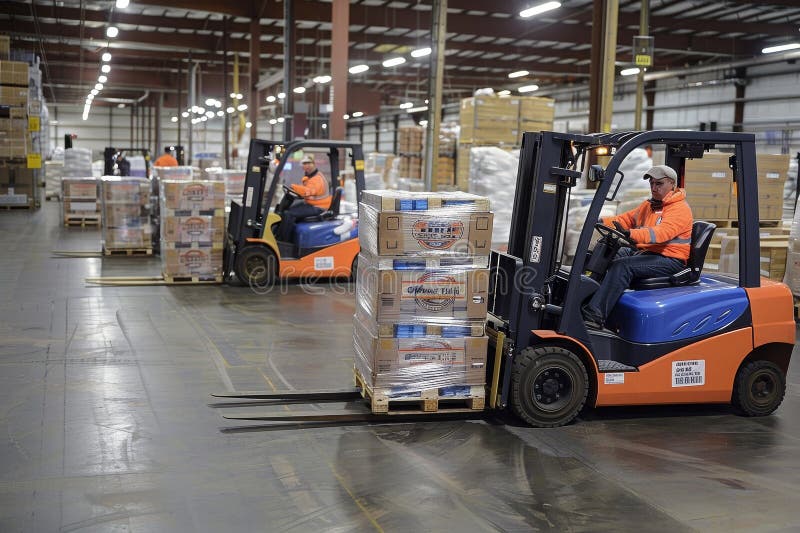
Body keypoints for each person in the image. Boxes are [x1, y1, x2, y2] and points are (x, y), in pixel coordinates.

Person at [582, 165, 693, 329]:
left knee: (622, 267)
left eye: (659, 184)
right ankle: (584, 298)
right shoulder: (650, 206)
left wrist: (631, 234)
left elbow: (661, 234)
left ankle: (594, 315)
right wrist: (601, 222)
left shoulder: (679, 209)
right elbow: (626, 219)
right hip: (649, 253)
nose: (654, 188)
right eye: (652, 184)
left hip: (670, 259)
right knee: (609, 253)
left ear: (671, 184)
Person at [278, 154, 331, 243]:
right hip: (314, 204)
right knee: (290, 209)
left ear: (314, 164)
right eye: (304, 164)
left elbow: (308, 192)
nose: (306, 166)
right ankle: (289, 235)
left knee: (288, 214)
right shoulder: (312, 177)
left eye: (308, 163)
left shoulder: (317, 179)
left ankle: (283, 241)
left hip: (318, 207)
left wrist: (294, 187)